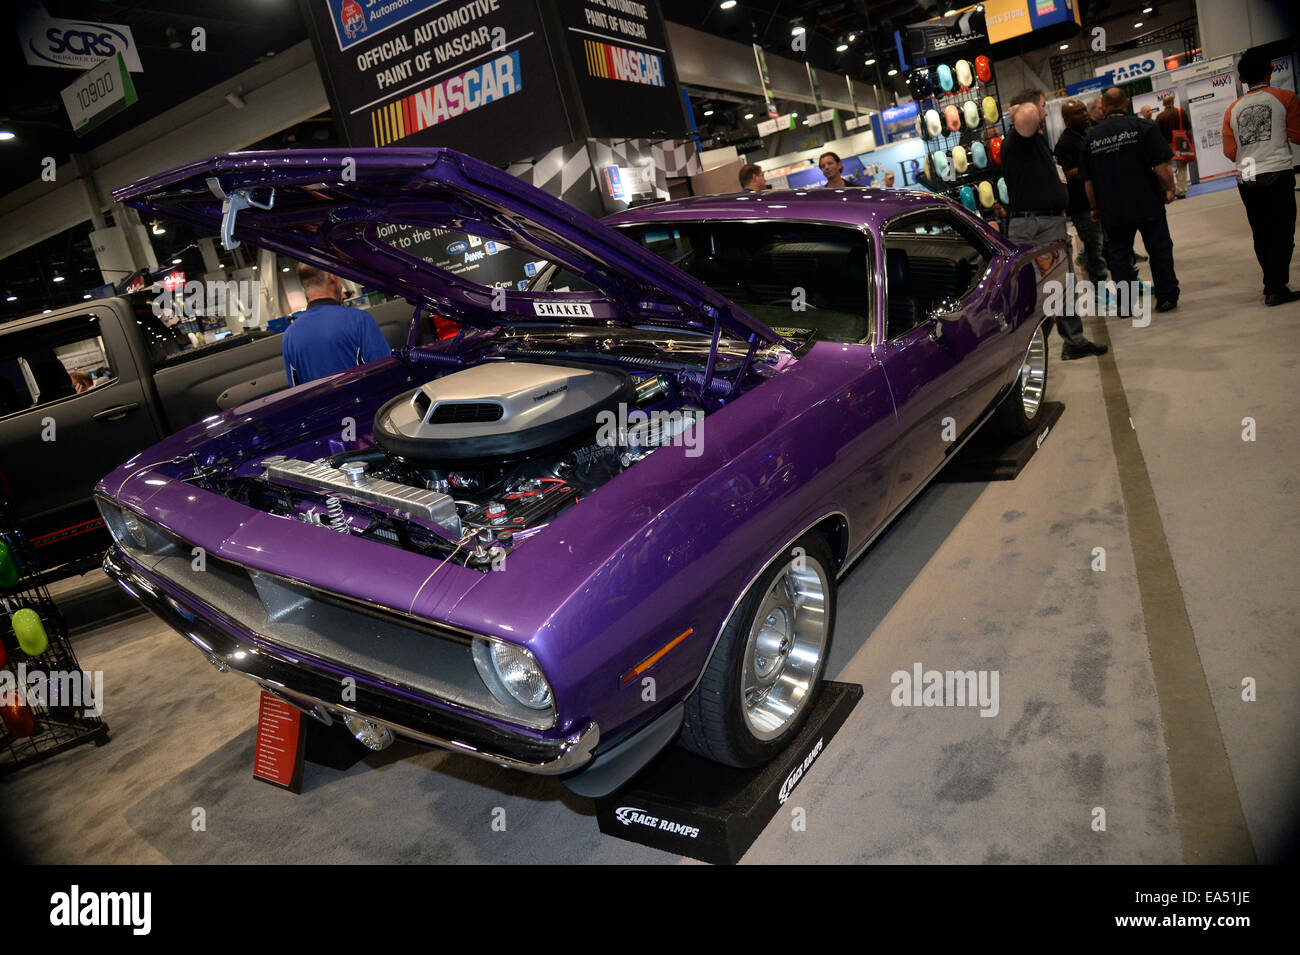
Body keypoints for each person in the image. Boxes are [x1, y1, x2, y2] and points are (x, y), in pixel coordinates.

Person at [1003, 88, 1107, 359]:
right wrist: (1023, 108)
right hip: (1037, 223)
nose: (1045, 112)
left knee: (1059, 285)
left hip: (1043, 221)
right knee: (1052, 286)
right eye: (1043, 106)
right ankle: (1041, 348)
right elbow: (1026, 113)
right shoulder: (1019, 138)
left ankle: (1071, 341)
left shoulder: (1030, 141)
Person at [1080, 86, 1180, 313]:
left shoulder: (1091, 139)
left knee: (1119, 255)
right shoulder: (1143, 127)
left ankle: (1125, 305)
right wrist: (1170, 189)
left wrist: (1094, 207)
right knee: (1159, 249)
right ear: (1126, 104)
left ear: (1103, 108)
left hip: (1113, 207)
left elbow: (1088, 181)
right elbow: (1161, 165)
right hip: (1147, 201)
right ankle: (1166, 297)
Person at [1222, 46, 1300, 306]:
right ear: (1271, 70)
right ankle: (1277, 287)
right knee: (1283, 230)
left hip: (1248, 173)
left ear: (1242, 79)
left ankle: (1271, 283)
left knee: (1261, 231)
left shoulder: (1232, 109)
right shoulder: (1285, 98)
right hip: (1277, 168)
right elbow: (1298, 135)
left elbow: (1230, 151)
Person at [282, 265, 392, 385]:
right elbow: (387, 372)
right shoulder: (359, 320)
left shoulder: (289, 336)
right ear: (332, 278)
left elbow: (296, 391)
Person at [1055, 99, 1108, 283]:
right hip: (1081, 205)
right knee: (1094, 248)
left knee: (1101, 244)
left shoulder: (1087, 135)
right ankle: (1099, 286)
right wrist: (1090, 164)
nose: (1085, 114)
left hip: (1098, 199)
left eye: (1085, 110)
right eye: (1079, 112)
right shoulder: (1065, 143)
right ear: (1067, 118)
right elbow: (1065, 174)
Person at [1155, 95, 1193, 199]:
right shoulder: (1181, 112)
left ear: (1163, 104)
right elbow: (1189, 130)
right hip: (1180, 143)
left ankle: (1170, 191)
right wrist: (1190, 142)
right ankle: (1182, 191)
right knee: (1182, 167)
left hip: (1166, 145)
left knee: (1167, 169)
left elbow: (1156, 134)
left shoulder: (1160, 117)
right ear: (1173, 102)